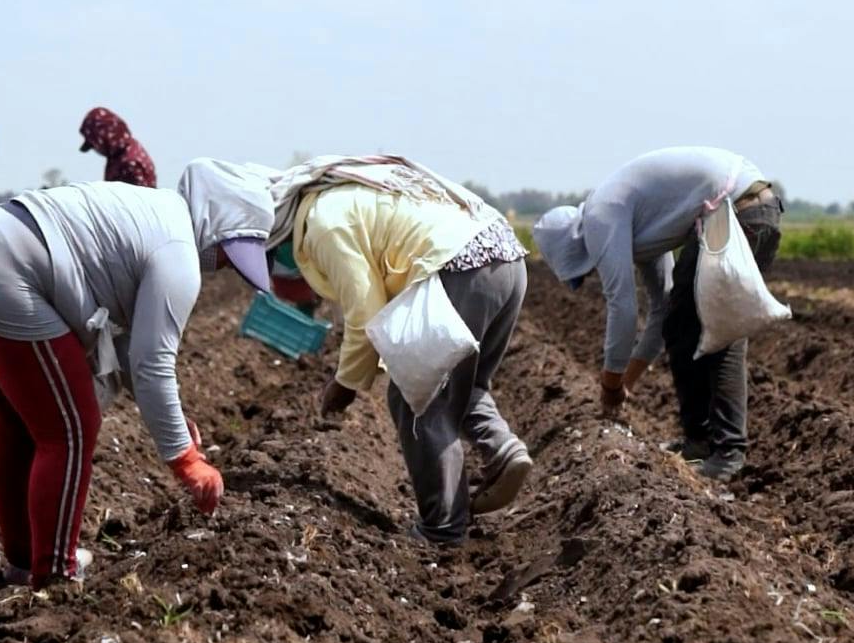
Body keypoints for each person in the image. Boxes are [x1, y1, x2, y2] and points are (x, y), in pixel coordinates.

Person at [0, 162, 274, 587]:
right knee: (71, 429)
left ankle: (23, 564)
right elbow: (152, 363)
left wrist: (176, 424)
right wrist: (186, 461)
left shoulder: (157, 211)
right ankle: (55, 573)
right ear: (217, 224)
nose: (223, 264)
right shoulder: (178, 250)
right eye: (230, 252)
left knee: (14, 427)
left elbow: (132, 351)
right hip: (3, 273)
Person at [265, 155, 533, 547]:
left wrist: (345, 384)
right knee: (467, 385)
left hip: (460, 263)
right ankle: (504, 450)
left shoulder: (323, 225)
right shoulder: (345, 197)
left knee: (416, 396)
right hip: (505, 256)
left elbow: (364, 313)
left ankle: (442, 529)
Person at [533, 146, 783, 482]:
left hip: (741, 210)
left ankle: (727, 453)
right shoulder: (637, 226)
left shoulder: (601, 217)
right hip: (741, 209)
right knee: (680, 322)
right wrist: (624, 386)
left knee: (720, 328)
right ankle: (699, 442)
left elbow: (622, 307)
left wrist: (609, 386)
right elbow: (662, 310)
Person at [79, 108, 157, 188]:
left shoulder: (130, 163)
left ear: (104, 139)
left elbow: (134, 198)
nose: (97, 151)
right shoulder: (119, 154)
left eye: (94, 145)